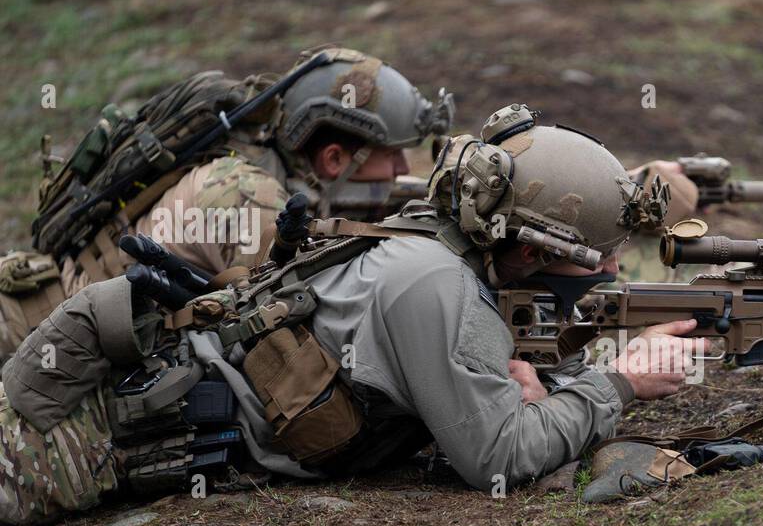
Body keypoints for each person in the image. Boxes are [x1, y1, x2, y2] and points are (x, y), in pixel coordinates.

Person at [0, 104, 704, 526]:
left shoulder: (439, 245)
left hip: (125, 408)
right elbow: (497, 458)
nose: (610, 270)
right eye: (595, 256)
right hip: (86, 430)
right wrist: (622, 384)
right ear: (526, 246)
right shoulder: (439, 286)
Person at [0, 47, 451, 359]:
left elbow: (390, 194)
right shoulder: (246, 196)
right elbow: (317, 321)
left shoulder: (267, 160)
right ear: (334, 159)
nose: (399, 168)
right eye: (393, 153)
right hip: (26, 336)